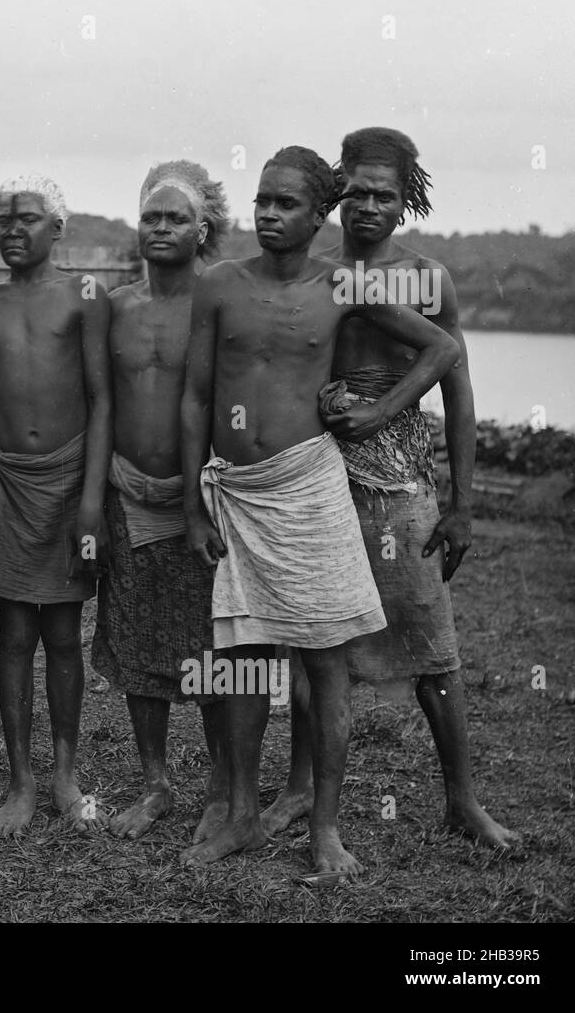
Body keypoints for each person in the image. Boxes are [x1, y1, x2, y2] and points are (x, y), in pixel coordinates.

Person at [179, 146, 460, 874]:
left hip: (310, 486)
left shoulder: (341, 285)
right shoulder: (219, 284)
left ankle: (325, 829)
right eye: (262, 200)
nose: (269, 214)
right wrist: (192, 503)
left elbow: (440, 348)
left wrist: (382, 412)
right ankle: (241, 811)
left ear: (318, 215)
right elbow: (195, 397)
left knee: (326, 663)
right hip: (235, 492)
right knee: (240, 659)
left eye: (287, 204)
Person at [262, 128, 519, 849]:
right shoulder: (314, 273)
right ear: (338, 195)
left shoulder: (426, 279)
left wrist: (465, 502)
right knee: (315, 641)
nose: (368, 207)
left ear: (407, 201)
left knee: (431, 641)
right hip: (318, 471)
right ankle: (299, 784)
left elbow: (458, 388)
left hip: (402, 476)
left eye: (385, 194)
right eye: (357, 193)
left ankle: (463, 800)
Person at [0, 174, 111, 836]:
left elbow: (102, 399)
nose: (13, 229)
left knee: (61, 633)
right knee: (14, 633)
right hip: (6, 480)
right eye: (3, 219)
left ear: (58, 227)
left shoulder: (84, 296)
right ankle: (20, 780)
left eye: (27, 218)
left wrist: (90, 502)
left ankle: (64, 772)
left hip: (67, 479)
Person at [91, 161, 229, 843]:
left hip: (203, 497)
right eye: (152, 216)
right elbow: (101, 404)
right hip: (128, 490)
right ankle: (155, 784)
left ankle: (220, 790)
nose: (163, 228)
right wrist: (93, 499)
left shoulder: (219, 301)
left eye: (177, 218)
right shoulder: (114, 307)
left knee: (211, 643)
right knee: (136, 637)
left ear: (204, 229)